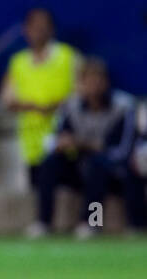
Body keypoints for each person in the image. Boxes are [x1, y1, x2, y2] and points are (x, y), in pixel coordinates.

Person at [30, 58, 144, 238]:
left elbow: (122, 150)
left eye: (98, 80)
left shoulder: (123, 106)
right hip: (80, 165)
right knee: (50, 163)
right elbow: (58, 139)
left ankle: (92, 223)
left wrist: (86, 145)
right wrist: (64, 144)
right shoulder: (71, 106)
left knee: (97, 165)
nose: (94, 86)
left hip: (115, 169)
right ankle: (43, 222)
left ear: (106, 82)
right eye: (89, 81)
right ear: (81, 83)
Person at [3, 7, 79, 189]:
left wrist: (54, 105)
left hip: (65, 141)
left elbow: (82, 92)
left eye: (43, 26)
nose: (39, 31)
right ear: (25, 30)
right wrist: (30, 106)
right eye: (34, 26)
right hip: (31, 143)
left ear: (52, 29)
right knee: (38, 195)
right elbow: (8, 99)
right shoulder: (18, 62)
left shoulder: (68, 56)